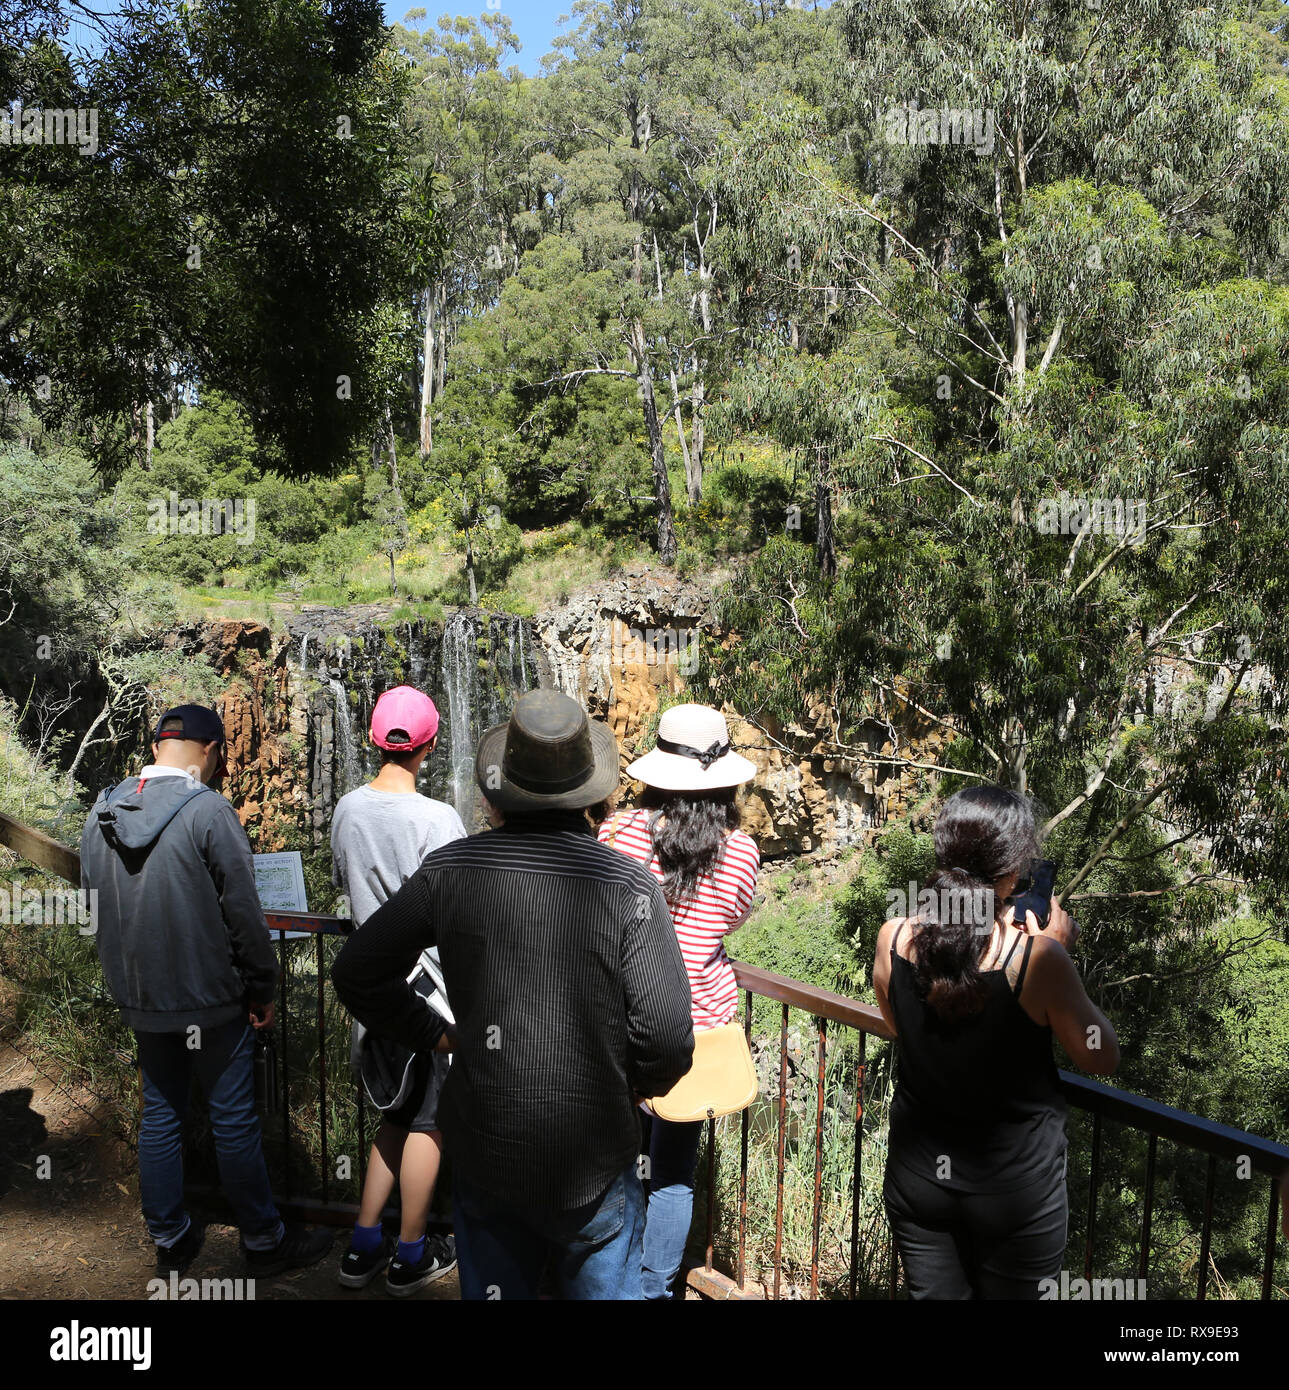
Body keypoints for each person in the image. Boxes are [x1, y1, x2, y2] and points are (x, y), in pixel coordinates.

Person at [332, 688, 695, 1300]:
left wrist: (437, 1034)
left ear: (501, 791)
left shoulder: (450, 871)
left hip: (486, 1152)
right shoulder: (630, 886)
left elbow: (357, 971)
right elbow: (666, 1038)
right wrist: (633, 1084)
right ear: (592, 794)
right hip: (597, 1162)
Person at [79, 704, 332, 1279]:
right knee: (234, 1119)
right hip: (212, 999)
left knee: (160, 1114)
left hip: (141, 997)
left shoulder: (103, 812)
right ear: (212, 749)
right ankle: (265, 1241)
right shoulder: (211, 812)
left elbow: (94, 905)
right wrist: (261, 985)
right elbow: (243, 914)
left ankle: (170, 1237)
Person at [872, 784, 1120, 1299]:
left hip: (919, 1182)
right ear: (1012, 870)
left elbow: (899, 1024)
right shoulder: (1035, 961)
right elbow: (1099, 1055)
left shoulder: (894, 936)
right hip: (1013, 1194)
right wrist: (1058, 950)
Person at [599, 703, 760, 1301]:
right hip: (698, 1029)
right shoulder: (741, 851)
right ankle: (653, 1290)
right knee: (672, 1170)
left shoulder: (616, 833)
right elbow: (732, 920)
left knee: (616, 1160)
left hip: (621, 1019)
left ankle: (606, 1277)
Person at [331, 685, 465, 1296]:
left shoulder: (347, 810)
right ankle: (410, 1253)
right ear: (431, 745)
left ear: (370, 738)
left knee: (391, 1117)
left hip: (372, 994)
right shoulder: (438, 819)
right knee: (429, 1124)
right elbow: (463, 908)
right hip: (428, 997)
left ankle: (362, 1245)